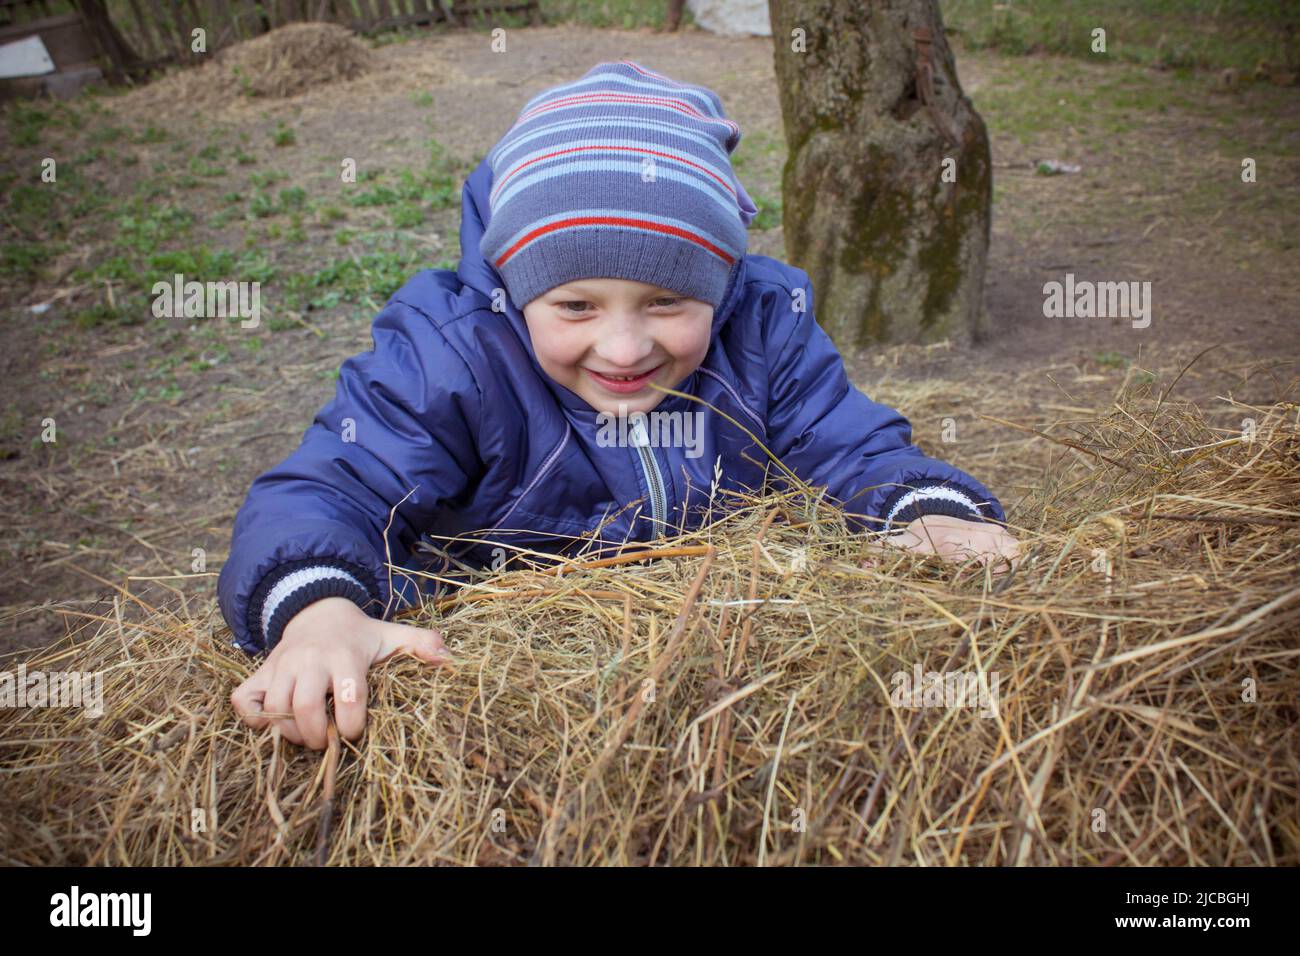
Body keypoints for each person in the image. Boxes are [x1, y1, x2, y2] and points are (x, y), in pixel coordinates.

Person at [220, 60, 1020, 750]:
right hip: (514, 690)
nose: (626, 349)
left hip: (718, 679)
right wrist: (321, 612)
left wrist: (920, 509)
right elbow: (330, 487)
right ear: (516, 288)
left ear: (721, 287)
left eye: (669, 301)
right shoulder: (452, 356)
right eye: (576, 307)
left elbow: (851, 446)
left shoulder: (764, 329)